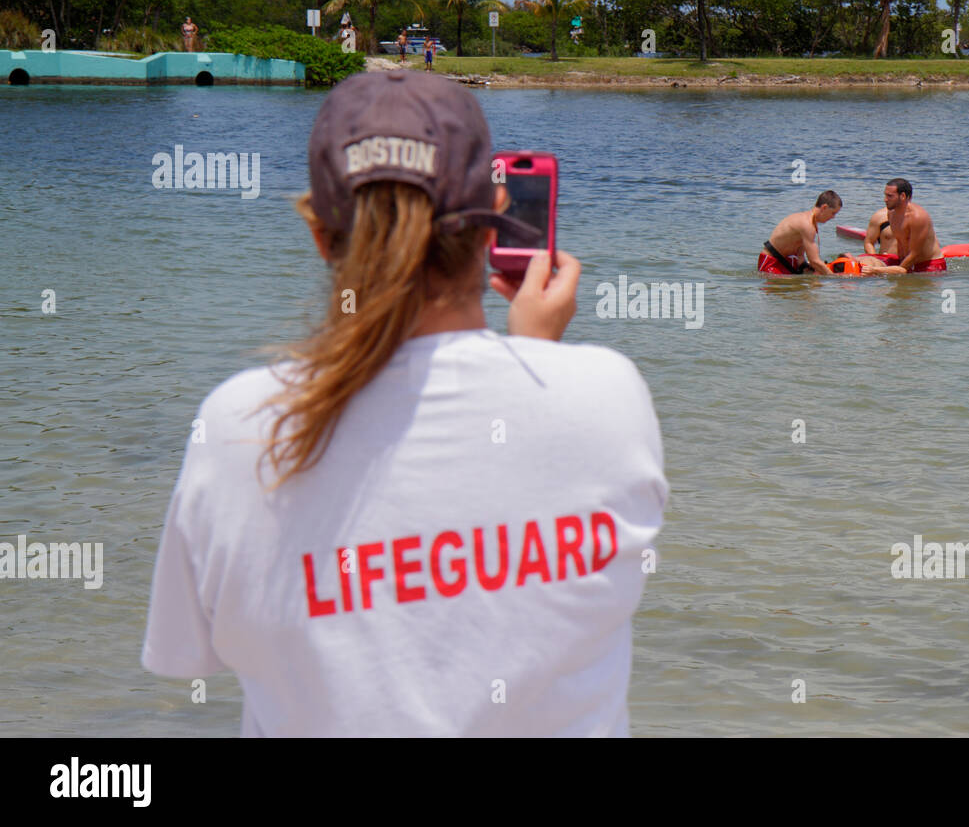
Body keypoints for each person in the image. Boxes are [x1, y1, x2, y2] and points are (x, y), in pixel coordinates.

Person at [141, 72, 668, 736]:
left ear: (319, 235)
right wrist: (539, 360)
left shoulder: (240, 425)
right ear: (491, 224)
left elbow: (188, 655)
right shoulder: (607, 397)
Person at [860, 179, 946, 274]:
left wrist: (884, 270)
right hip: (903, 262)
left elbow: (915, 253)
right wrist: (877, 262)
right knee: (860, 261)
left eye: (890, 196)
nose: (885, 199)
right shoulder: (891, 213)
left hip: (928, 265)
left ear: (903, 196)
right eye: (885, 195)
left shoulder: (918, 217)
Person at [757, 190, 841, 275]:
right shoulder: (807, 225)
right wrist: (834, 278)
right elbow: (814, 261)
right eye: (833, 213)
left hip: (789, 260)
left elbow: (800, 255)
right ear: (824, 207)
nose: (833, 217)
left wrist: (805, 267)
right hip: (772, 262)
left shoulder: (811, 223)